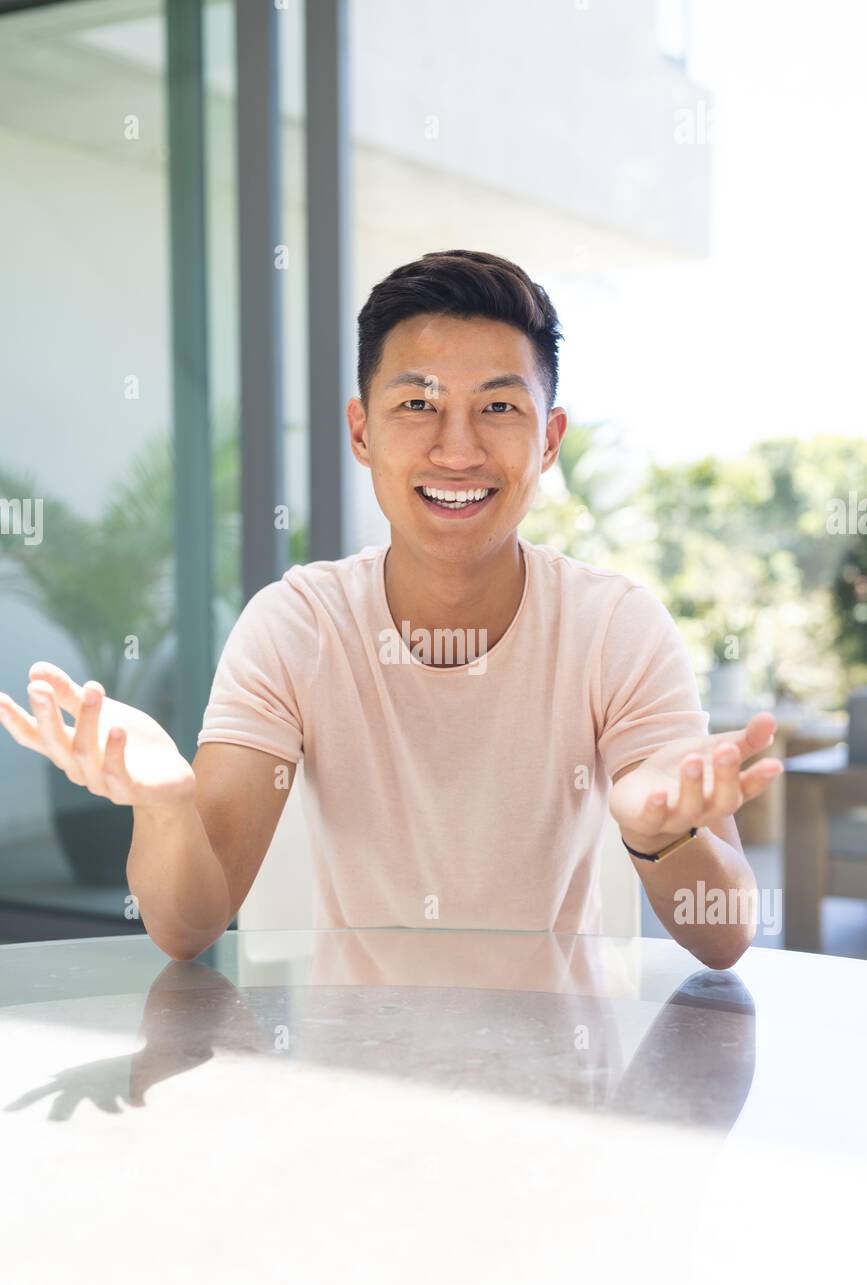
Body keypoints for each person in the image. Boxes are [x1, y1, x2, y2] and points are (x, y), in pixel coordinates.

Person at [0, 250, 782, 963]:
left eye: (499, 409)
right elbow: (188, 926)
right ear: (361, 430)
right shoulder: (298, 625)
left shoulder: (615, 628)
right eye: (416, 405)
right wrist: (166, 807)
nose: (458, 448)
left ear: (547, 441)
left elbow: (722, 937)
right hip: (352, 1084)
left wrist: (662, 837)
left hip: (562, 1084)